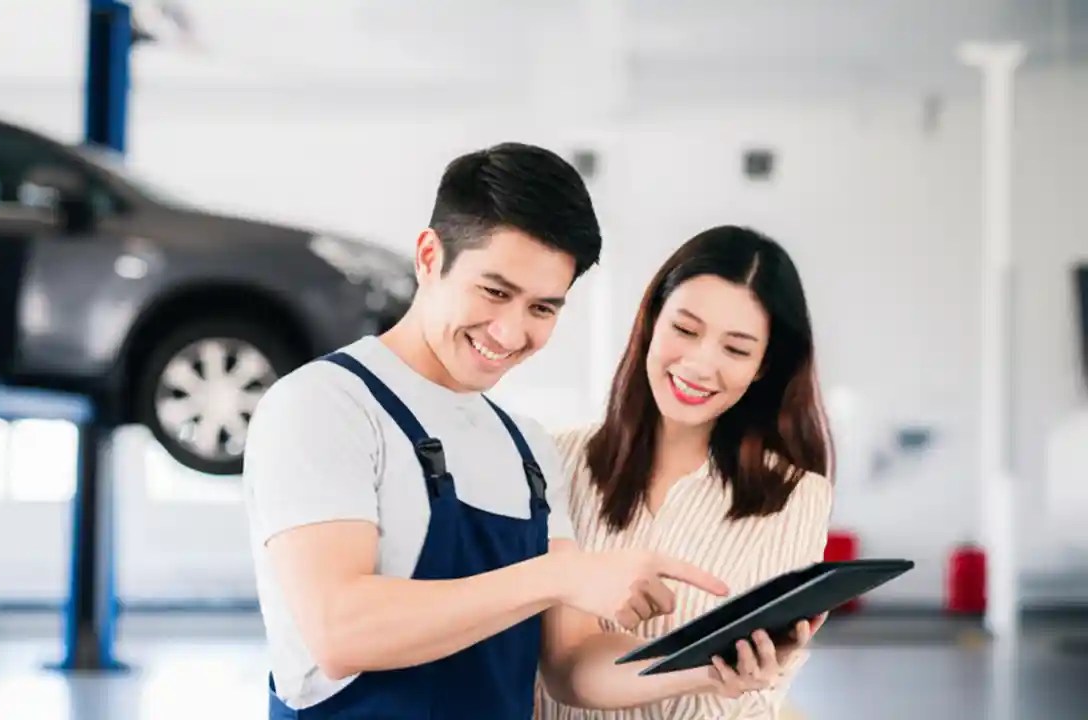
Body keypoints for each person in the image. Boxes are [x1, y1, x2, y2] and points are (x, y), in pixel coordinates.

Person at [242, 144, 800, 719]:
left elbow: (571, 664)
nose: (510, 333)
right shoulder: (324, 406)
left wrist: (704, 666)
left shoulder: (527, 449)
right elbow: (341, 631)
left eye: (543, 309)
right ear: (430, 257)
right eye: (495, 291)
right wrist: (557, 575)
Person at [536, 225, 834, 720]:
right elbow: (562, 666)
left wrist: (732, 671)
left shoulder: (796, 496)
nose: (699, 365)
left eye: (736, 349)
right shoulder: (555, 460)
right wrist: (698, 666)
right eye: (686, 330)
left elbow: (757, 696)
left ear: (762, 366)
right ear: (652, 321)